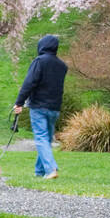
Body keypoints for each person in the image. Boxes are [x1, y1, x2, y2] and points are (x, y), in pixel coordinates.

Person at [12, 34, 68, 179]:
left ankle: (51, 169)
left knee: (41, 138)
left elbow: (29, 83)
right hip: (54, 108)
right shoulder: (62, 66)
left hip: (39, 107)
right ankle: (40, 172)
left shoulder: (39, 61)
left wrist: (19, 102)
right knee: (46, 140)